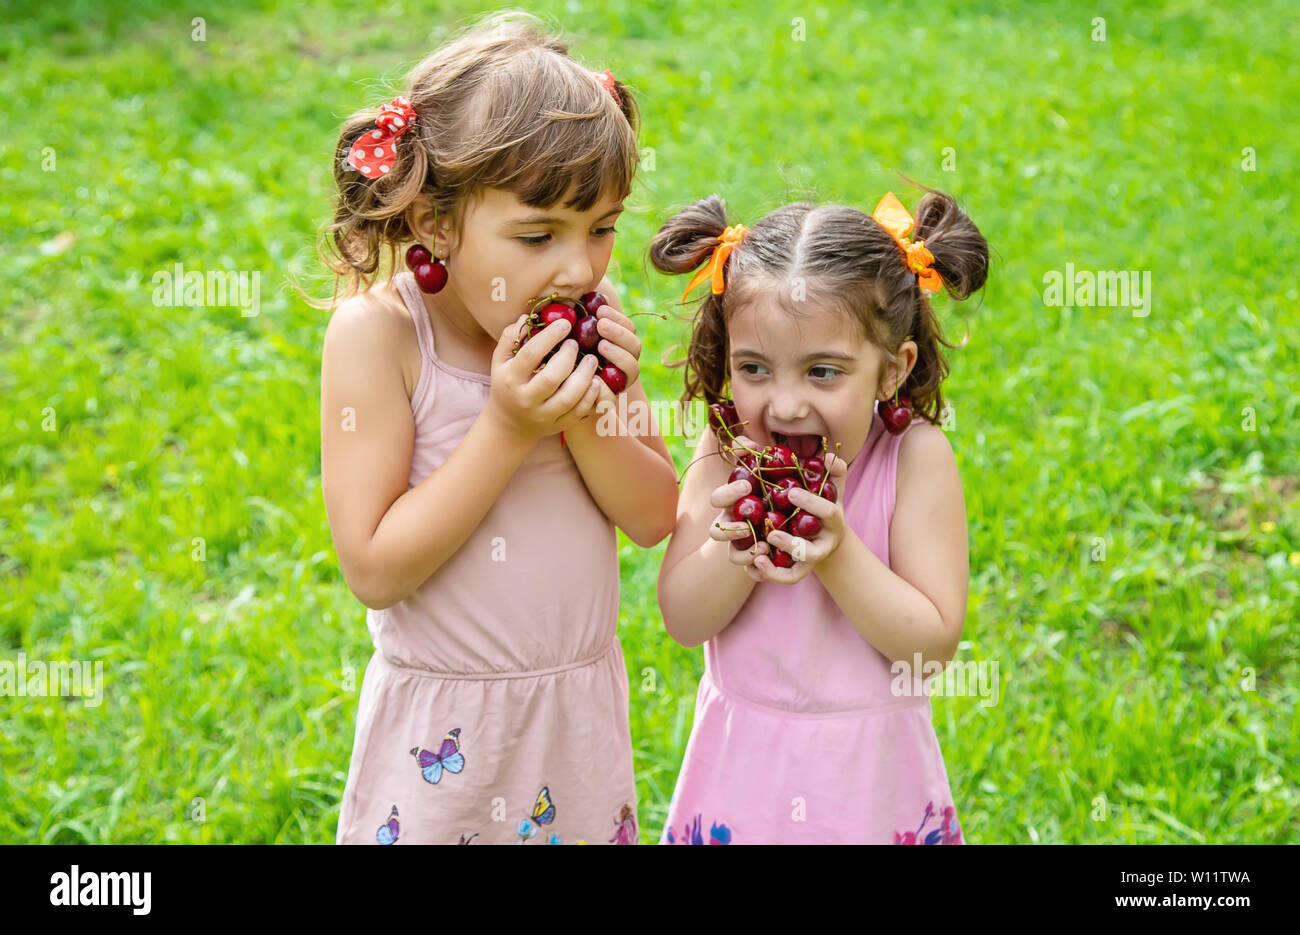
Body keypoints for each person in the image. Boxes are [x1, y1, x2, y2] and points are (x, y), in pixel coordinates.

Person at [317, 12, 677, 844]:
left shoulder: (590, 316)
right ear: (435, 224)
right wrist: (509, 428)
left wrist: (586, 412)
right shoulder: (382, 337)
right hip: (443, 735)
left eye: (603, 229)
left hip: (572, 714)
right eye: (538, 234)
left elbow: (656, 516)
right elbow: (374, 567)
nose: (578, 267)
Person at [650, 186, 988, 843]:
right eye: (754, 367)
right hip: (743, 777)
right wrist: (739, 541)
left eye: (823, 372)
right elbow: (683, 618)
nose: (785, 404)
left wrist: (836, 552)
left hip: (867, 784)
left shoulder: (915, 458)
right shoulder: (726, 448)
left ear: (893, 370)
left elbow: (932, 642)